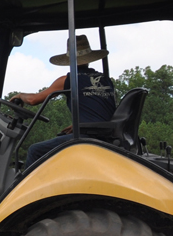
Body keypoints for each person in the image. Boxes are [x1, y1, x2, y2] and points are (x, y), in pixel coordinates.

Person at [11, 35, 117, 164]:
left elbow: (33, 100)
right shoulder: (105, 79)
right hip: (106, 135)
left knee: (35, 150)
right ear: (89, 59)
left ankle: (25, 184)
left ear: (69, 59)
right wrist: (82, 124)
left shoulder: (69, 80)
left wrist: (20, 96)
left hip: (88, 138)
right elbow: (105, 109)